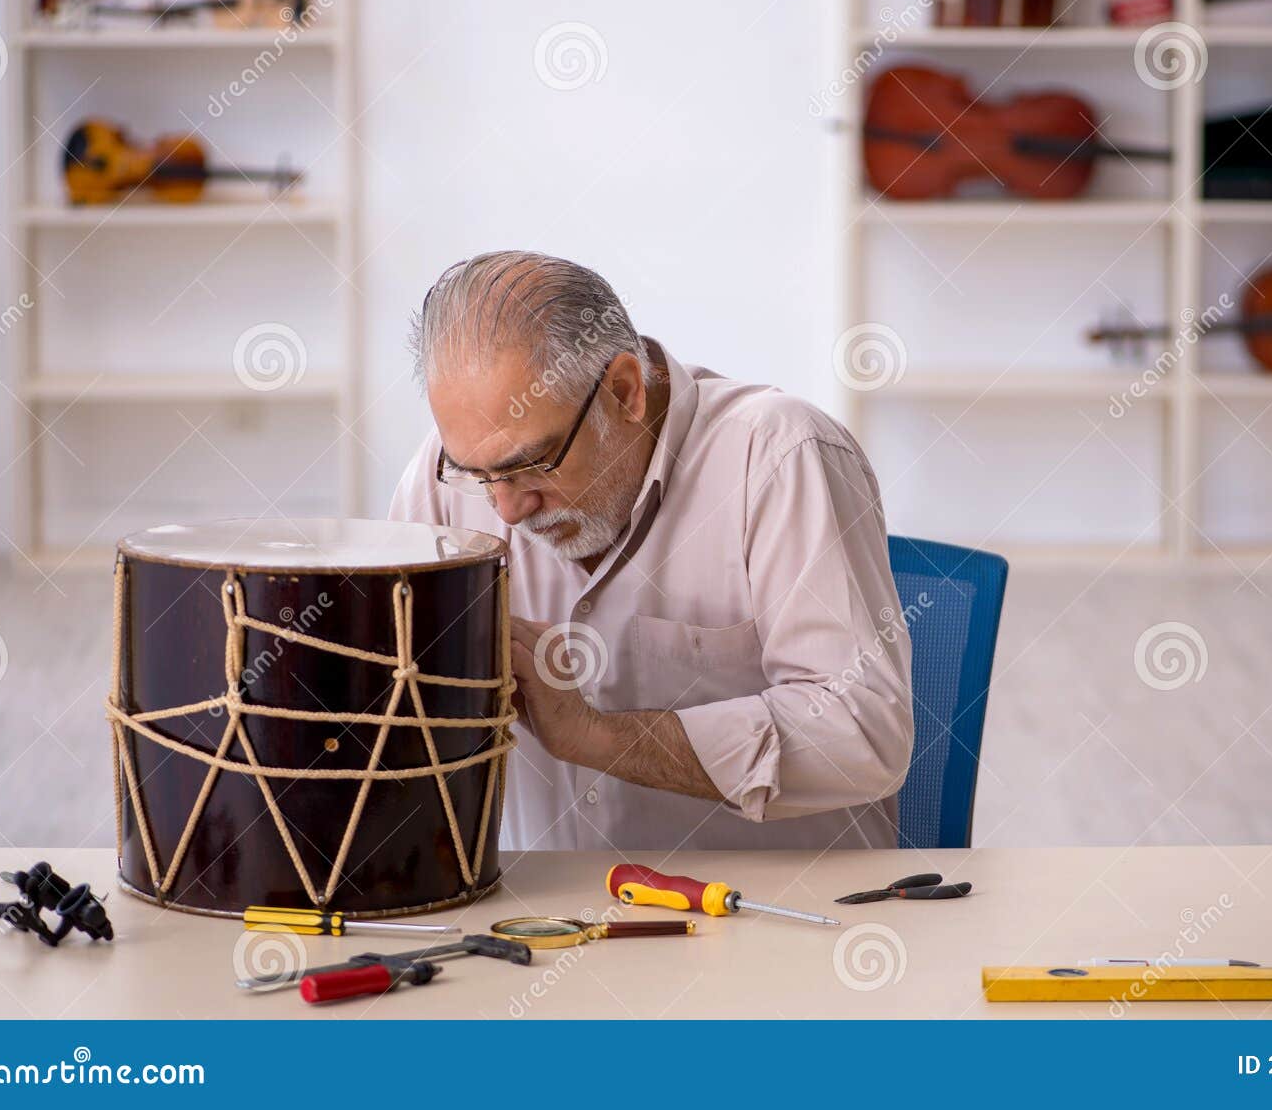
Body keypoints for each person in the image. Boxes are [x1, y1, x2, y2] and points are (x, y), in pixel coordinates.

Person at [391, 251, 912, 851]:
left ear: (624, 390)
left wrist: (594, 736)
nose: (505, 510)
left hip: (776, 919)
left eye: (534, 465)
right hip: (546, 926)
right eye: (477, 475)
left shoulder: (779, 455)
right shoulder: (450, 467)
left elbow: (863, 735)